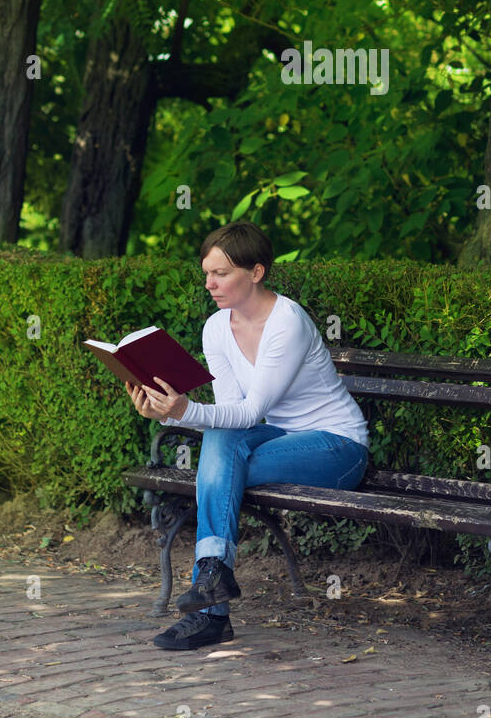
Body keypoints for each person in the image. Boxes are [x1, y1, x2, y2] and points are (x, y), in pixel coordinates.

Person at [126, 220, 370, 651]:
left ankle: (210, 612)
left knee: (220, 465)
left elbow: (251, 411)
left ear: (256, 272)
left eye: (221, 274)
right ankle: (214, 582)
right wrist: (168, 415)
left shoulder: (286, 322)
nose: (210, 283)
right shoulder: (216, 328)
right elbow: (230, 414)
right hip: (274, 436)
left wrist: (184, 410)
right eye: (206, 273)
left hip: (336, 445)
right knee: (221, 444)